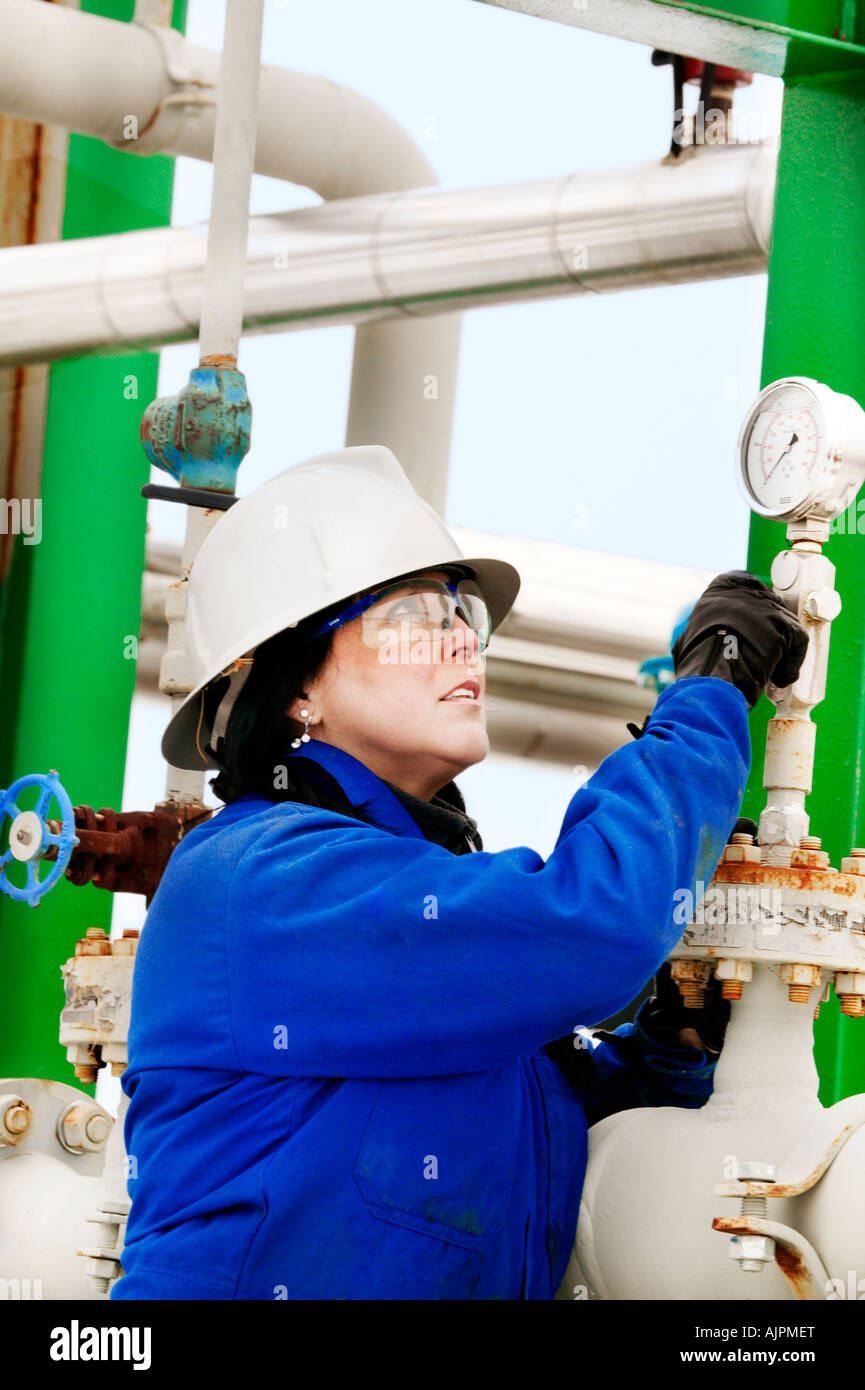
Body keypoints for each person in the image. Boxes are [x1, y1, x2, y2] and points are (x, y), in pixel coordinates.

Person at [110, 446, 807, 1302]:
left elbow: (531, 1133)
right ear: (296, 689)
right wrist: (710, 689)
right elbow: (595, 922)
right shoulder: (258, 878)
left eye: (461, 614)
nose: (457, 643)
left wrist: (670, 1045)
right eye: (410, 617)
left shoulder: (411, 911)